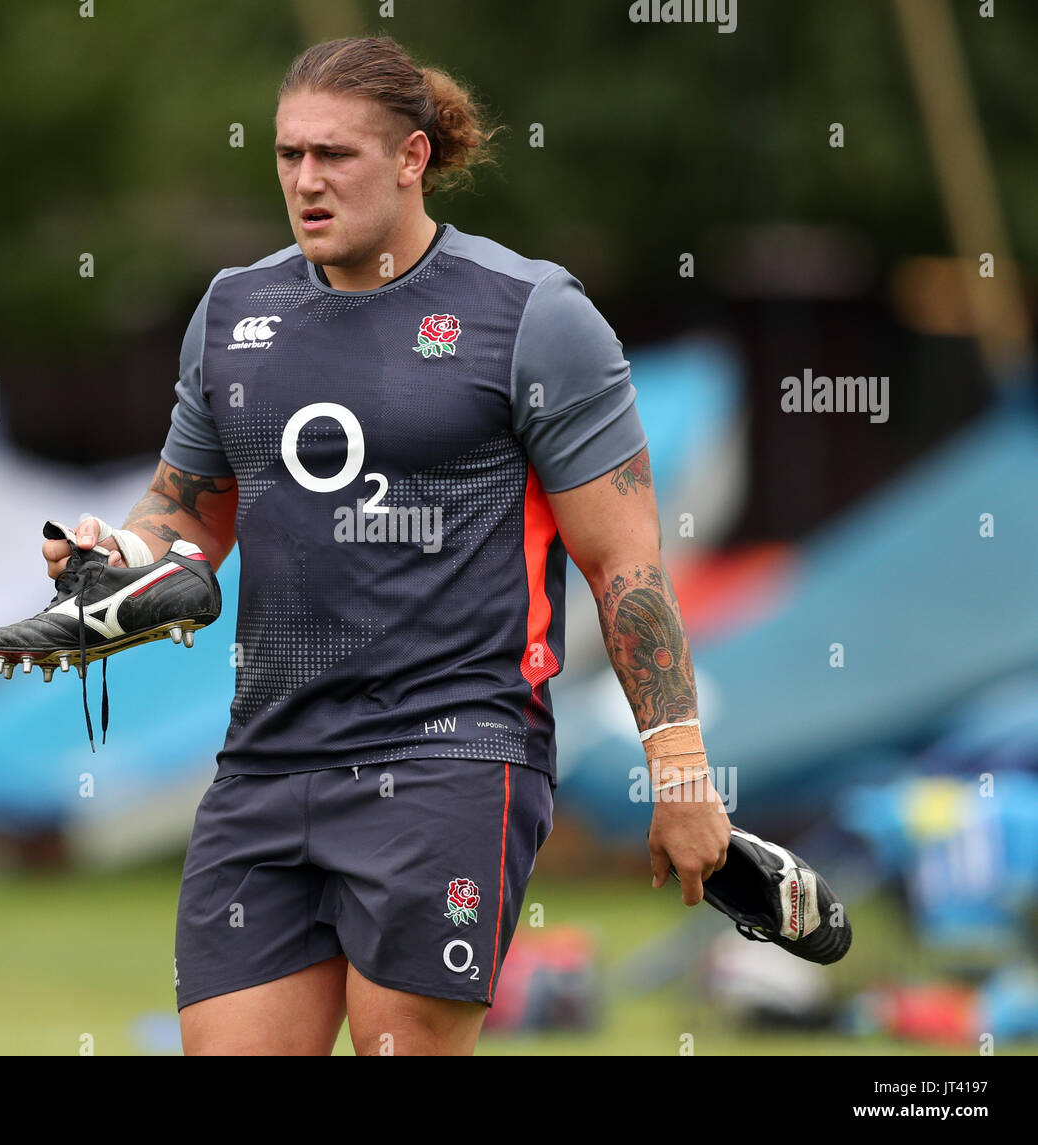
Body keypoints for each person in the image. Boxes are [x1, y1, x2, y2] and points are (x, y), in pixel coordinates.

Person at [43, 35, 729, 1056]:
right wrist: (110, 562)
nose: (306, 182)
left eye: (335, 155)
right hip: (267, 762)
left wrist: (679, 773)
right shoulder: (234, 313)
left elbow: (624, 568)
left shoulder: (533, 317)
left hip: (454, 752)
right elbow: (184, 521)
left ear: (412, 157)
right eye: (288, 156)